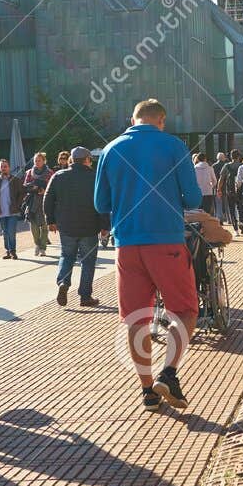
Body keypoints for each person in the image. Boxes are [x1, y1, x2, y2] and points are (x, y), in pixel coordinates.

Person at [94, 99, 202, 411]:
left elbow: (101, 204)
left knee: (134, 319)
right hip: (166, 240)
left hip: (127, 244)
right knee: (185, 310)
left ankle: (147, 391)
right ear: (161, 120)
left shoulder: (111, 149)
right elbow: (193, 197)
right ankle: (168, 372)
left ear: (133, 118)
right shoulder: (173, 145)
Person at [43, 145, 108, 307]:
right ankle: (85, 296)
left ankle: (63, 282)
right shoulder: (95, 177)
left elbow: (47, 199)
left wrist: (50, 220)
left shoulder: (58, 176)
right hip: (89, 226)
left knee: (67, 255)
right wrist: (105, 225)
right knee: (88, 262)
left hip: (66, 226)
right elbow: (103, 203)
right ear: (87, 160)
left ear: (71, 160)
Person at [0, 158, 26, 259]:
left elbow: (22, 193)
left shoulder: (15, 180)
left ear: (9, 168)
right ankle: (7, 251)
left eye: (5, 166)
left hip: (13, 211)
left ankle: (13, 251)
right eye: (2, 167)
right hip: (0, 212)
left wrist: (18, 205)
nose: (3, 168)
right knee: (5, 232)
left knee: (11, 232)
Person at [23, 151, 54, 256]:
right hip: (32, 201)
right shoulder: (29, 172)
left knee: (45, 226)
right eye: (35, 160)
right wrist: (33, 187)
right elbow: (25, 186)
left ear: (44, 161)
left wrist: (45, 191)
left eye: (39, 160)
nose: (37, 162)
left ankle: (43, 248)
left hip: (45, 200)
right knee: (33, 225)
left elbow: (53, 186)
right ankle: (37, 244)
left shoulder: (50, 172)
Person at [193, 152, 218, 216]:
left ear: (198, 159)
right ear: (205, 159)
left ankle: (199, 225)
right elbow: (215, 181)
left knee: (198, 211)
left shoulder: (194, 168)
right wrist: (211, 186)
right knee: (207, 212)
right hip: (208, 192)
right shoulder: (210, 168)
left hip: (198, 192)